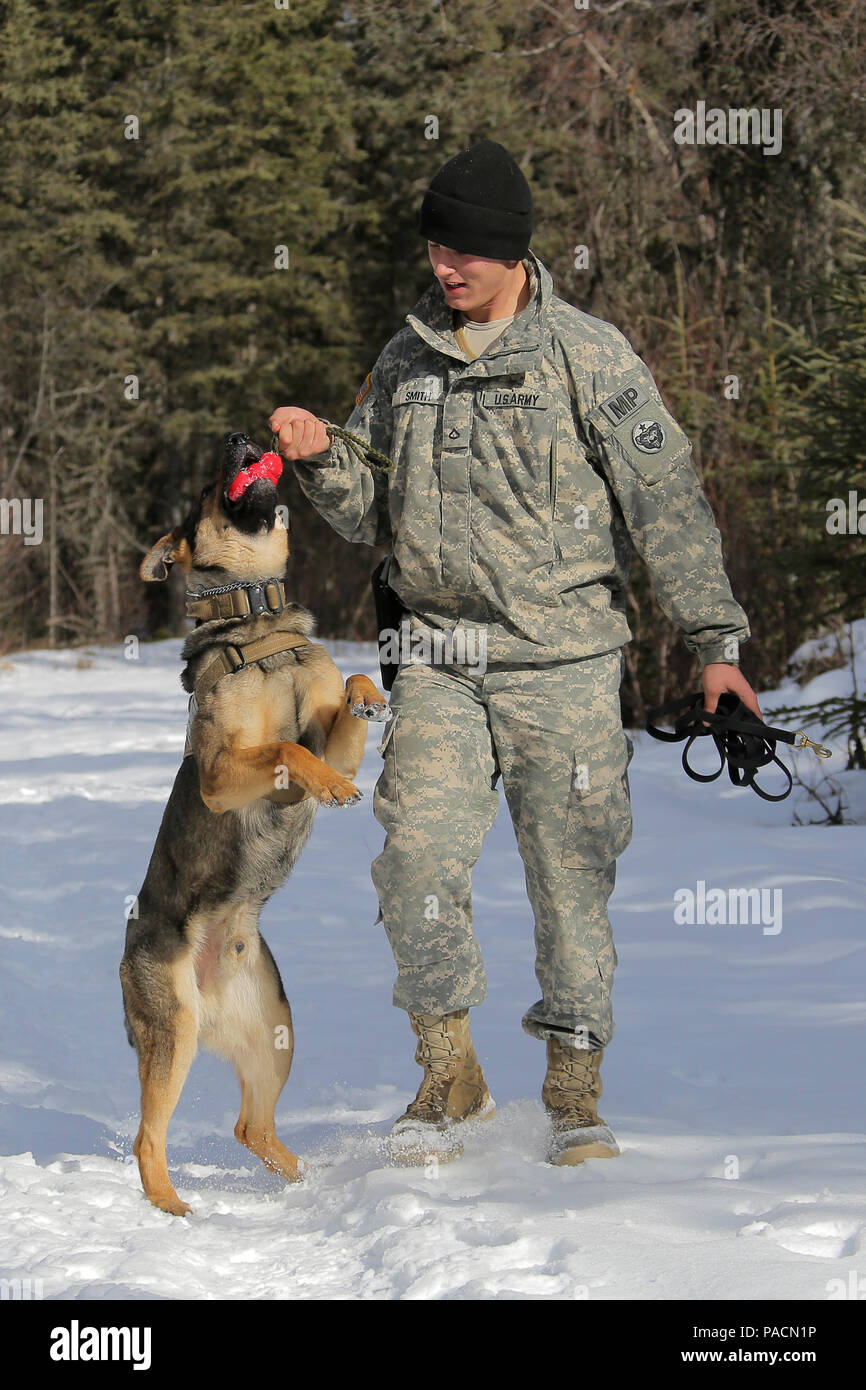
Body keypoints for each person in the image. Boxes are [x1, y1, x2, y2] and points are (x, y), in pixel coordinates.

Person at [269, 139, 760, 1168]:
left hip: (566, 666)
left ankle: (573, 1082)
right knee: (414, 863)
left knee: (569, 883)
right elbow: (365, 509)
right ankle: (447, 1071)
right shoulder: (404, 359)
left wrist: (715, 644)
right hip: (441, 661)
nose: (445, 268)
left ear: (511, 252)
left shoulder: (587, 356)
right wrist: (321, 458)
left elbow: (663, 504)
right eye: (435, 247)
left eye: (465, 253)